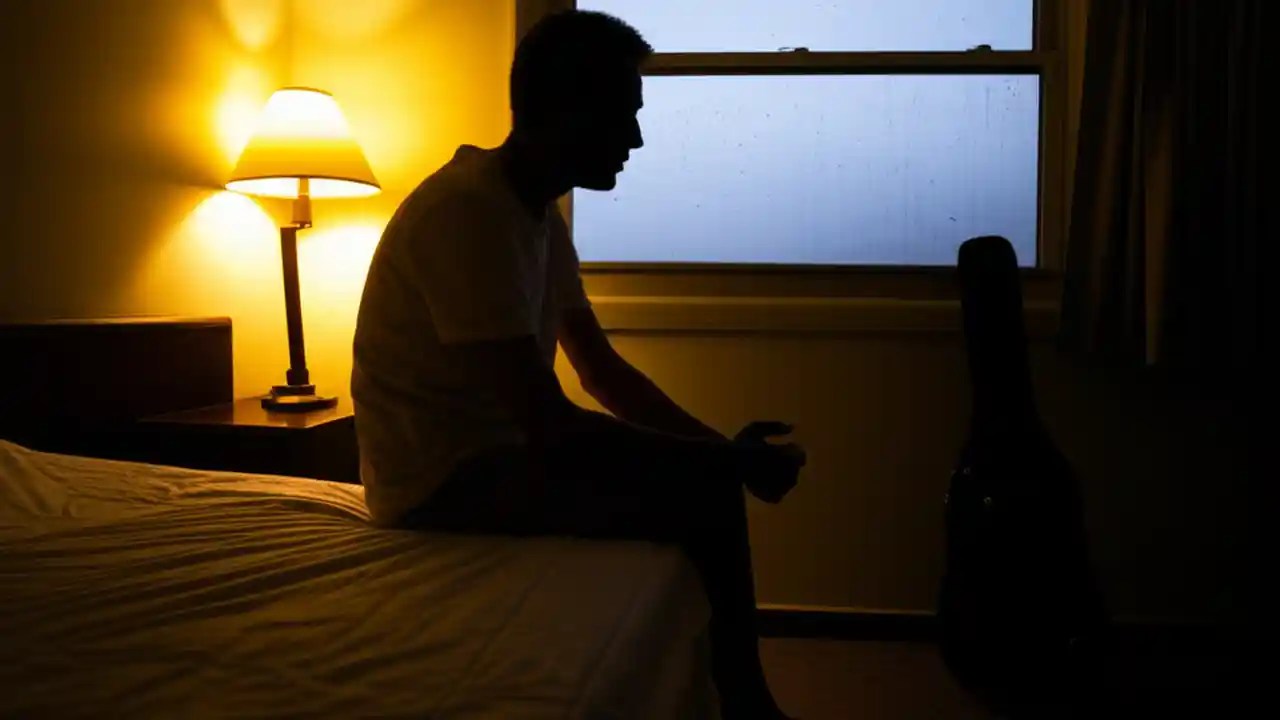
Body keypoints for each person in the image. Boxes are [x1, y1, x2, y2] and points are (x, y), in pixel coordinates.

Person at [351, 10, 805, 719]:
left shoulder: (532, 213)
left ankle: (742, 699)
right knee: (704, 496)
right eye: (622, 114)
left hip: (490, 459)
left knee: (705, 486)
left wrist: (720, 451)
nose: (636, 138)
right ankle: (748, 705)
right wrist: (725, 467)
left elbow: (603, 374)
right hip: (438, 483)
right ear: (565, 110)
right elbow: (548, 425)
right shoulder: (468, 214)